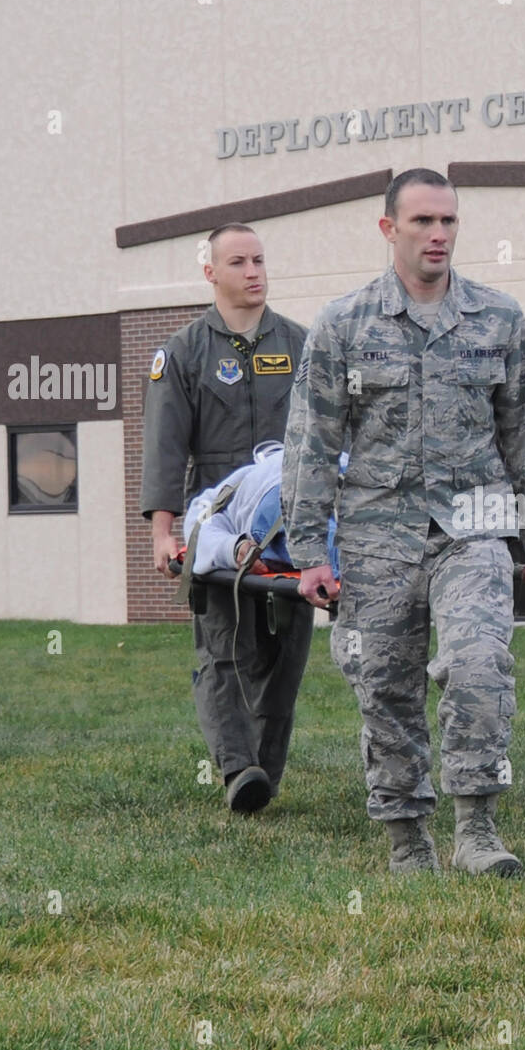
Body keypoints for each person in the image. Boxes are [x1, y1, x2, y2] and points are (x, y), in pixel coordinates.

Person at [281, 168, 525, 875]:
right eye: (421, 222)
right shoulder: (343, 325)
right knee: (384, 686)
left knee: (477, 663)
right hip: (376, 535)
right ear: (389, 230)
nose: (437, 235)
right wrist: (306, 551)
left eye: (447, 221)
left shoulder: (496, 319)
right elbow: (311, 443)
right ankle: (408, 839)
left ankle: (476, 831)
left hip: (474, 525)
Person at [140, 224, 311, 813]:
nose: (254, 271)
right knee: (223, 647)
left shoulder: (301, 344)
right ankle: (239, 770)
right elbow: (165, 447)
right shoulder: (184, 353)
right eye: (238, 261)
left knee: (286, 653)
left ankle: (265, 769)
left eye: (260, 259)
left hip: (291, 518)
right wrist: (164, 533)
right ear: (210, 273)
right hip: (212, 517)